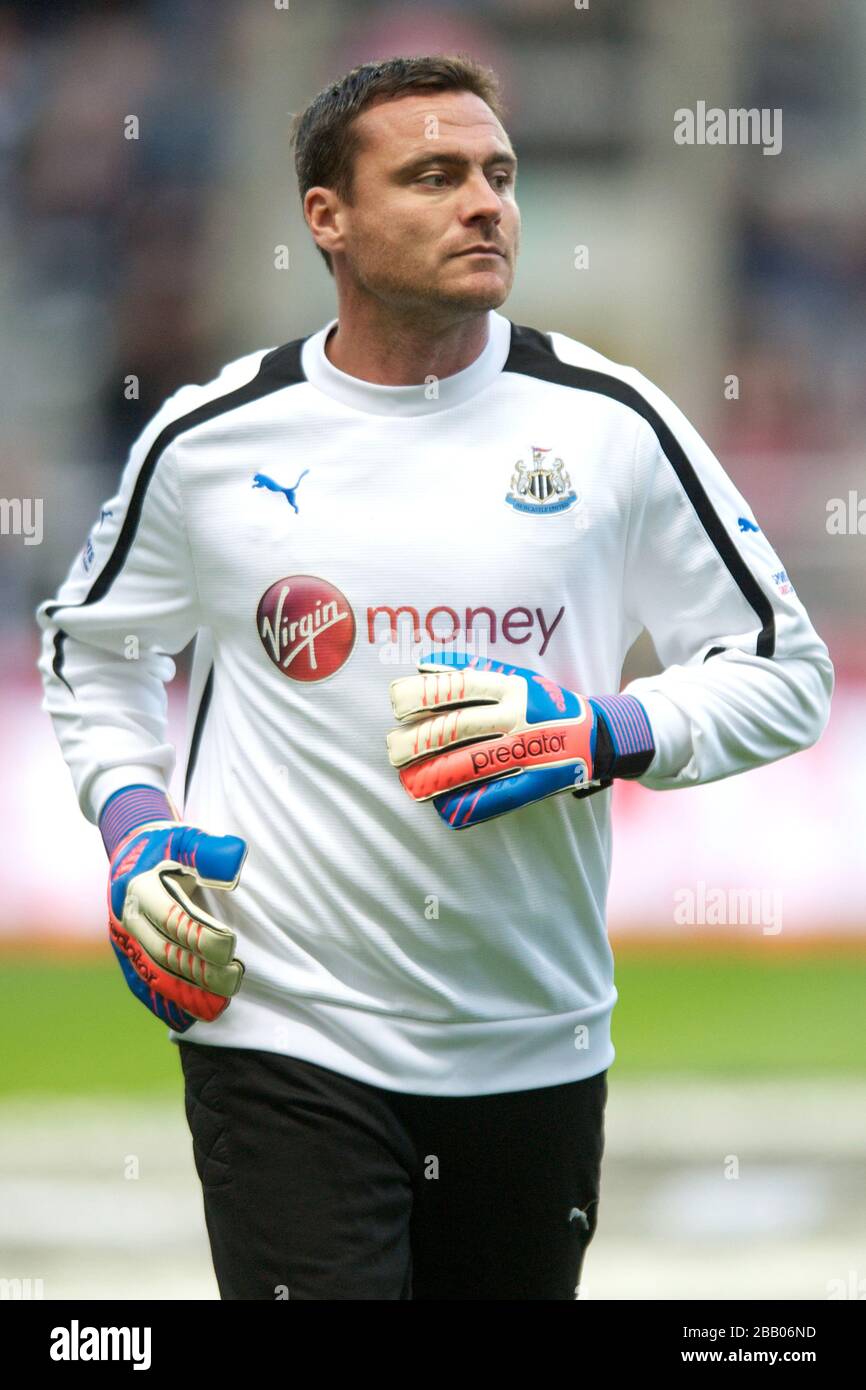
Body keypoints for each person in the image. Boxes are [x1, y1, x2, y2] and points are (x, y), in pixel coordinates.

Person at [36, 54, 833, 1301]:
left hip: (532, 1039)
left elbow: (784, 673)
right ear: (327, 219)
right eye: (433, 175)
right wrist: (135, 826)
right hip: (280, 1031)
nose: (486, 203)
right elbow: (96, 651)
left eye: (498, 176)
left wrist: (602, 729)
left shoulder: (610, 423)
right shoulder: (207, 438)